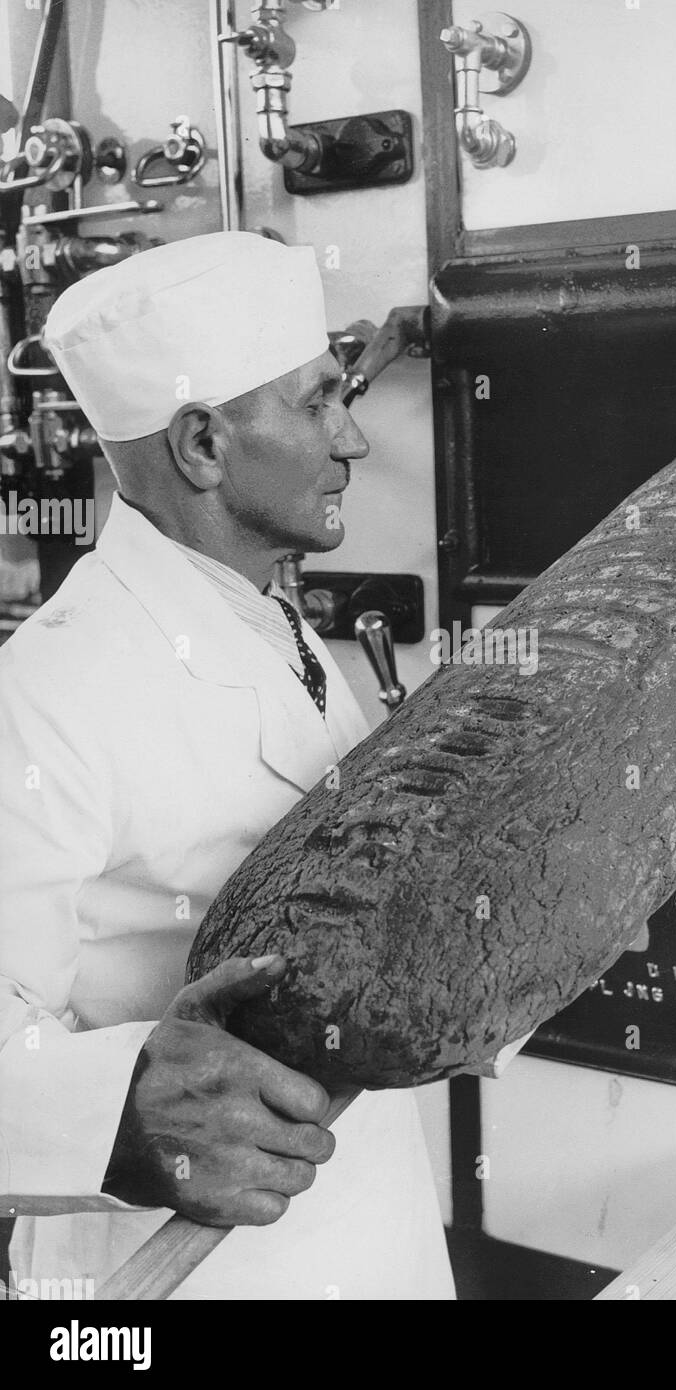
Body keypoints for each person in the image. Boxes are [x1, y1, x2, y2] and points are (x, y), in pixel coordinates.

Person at [0, 231, 455, 1300]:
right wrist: (120, 1106)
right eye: (313, 404)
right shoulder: (49, 690)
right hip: (185, 1271)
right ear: (204, 443)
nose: (352, 439)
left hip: (366, 1229)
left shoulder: (265, 617)